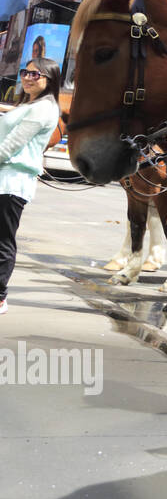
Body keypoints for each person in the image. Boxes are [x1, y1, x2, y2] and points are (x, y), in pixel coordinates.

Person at [0, 59, 62, 316]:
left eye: (35, 74)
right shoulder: (32, 104)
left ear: (49, 79)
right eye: (25, 72)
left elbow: (10, 145)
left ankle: (0, 297)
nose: (27, 77)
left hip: (12, 182)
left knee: (3, 240)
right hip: (6, 179)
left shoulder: (42, 109)